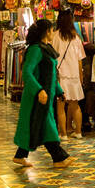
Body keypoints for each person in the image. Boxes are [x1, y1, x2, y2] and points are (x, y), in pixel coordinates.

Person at [13, 19, 70, 167]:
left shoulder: (46, 48)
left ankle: (20, 155)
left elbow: (50, 74)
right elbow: (27, 72)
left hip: (46, 96)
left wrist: (59, 91)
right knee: (47, 125)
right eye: (52, 29)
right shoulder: (35, 49)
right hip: (36, 98)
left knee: (37, 125)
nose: (53, 32)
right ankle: (58, 158)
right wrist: (38, 90)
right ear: (46, 31)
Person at [49, 9, 85, 140]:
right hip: (74, 75)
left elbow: (52, 56)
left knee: (60, 106)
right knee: (75, 106)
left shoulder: (55, 36)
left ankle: (63, 134)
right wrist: (81, 76)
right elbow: (80, 60)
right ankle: (78, 132)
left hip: (60, 76)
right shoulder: (76, 38)